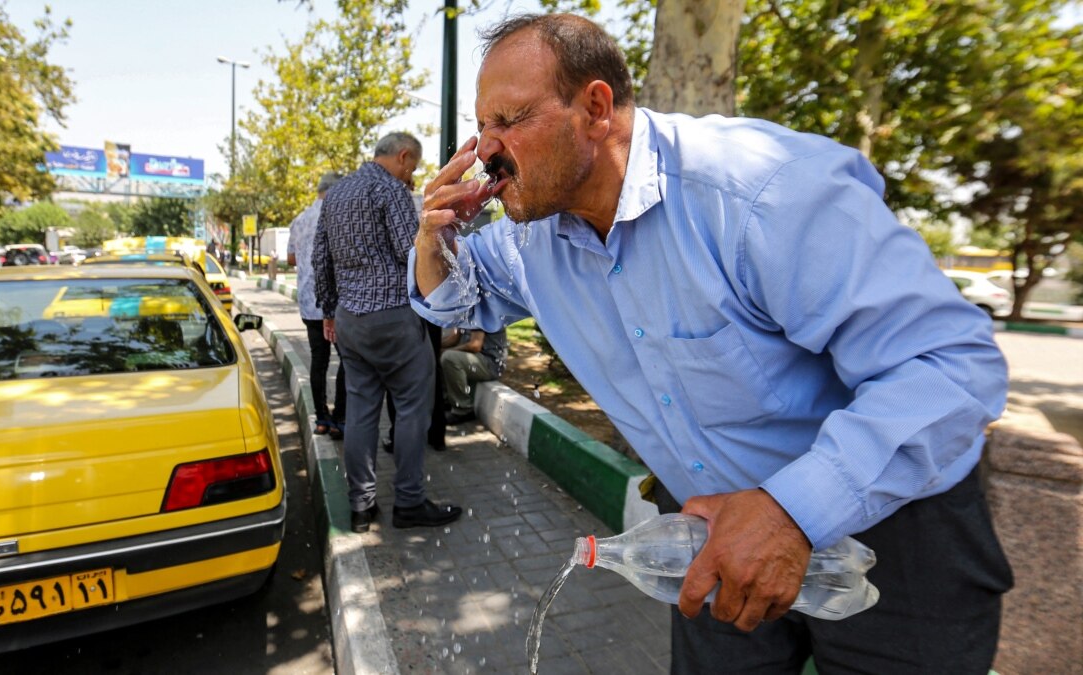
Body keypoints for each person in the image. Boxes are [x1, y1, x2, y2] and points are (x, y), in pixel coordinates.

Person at [410, 13, 1012, 674]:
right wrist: (432, 239)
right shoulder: (536, 239)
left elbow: (952, 367)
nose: (485, 151)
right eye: (482, 126)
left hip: (894, 529)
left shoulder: (760, 190)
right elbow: (455, 300)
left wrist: (791, 511)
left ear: (595, 107)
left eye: (509, 120)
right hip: (709, 535)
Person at [314, 131, 463, 534]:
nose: (412, 176)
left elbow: (320, 258)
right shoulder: (391, 191)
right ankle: (410, 502)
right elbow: (409, 251)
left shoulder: (338, 193)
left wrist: (329, 311)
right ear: (402, 157)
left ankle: (361, 507)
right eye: (412, 168)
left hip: (350, 320)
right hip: (394, 318)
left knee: (361, 412)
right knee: (413, 408)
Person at [287, 171, 347, 439]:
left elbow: (290, 259)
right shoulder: (339, 216)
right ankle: (340, 418)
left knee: (318, 361)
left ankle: (321, 418)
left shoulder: (299, 219)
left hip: (309, 304)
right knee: (348, 359)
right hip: (335, 303)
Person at [440, 328, 508, 425]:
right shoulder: (463, 313)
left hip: (490, 363)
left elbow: (475, 345)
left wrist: (445, 351)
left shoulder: (481, 314)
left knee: (449, 358)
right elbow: (453, 338)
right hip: (476, 358)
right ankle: (446, 401)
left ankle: (463, 409)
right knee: (440, 355)